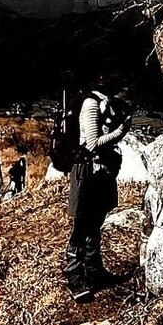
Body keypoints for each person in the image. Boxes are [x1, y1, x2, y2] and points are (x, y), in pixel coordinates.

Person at [65, 81, 130, 300]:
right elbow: (92, 144)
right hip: (87, 173)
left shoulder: (103, 101)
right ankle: (75, 279)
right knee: (82, 226)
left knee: (94, 224)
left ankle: (94, 272)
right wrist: (122, 131)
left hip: (98, 172)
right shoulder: (92, 103)